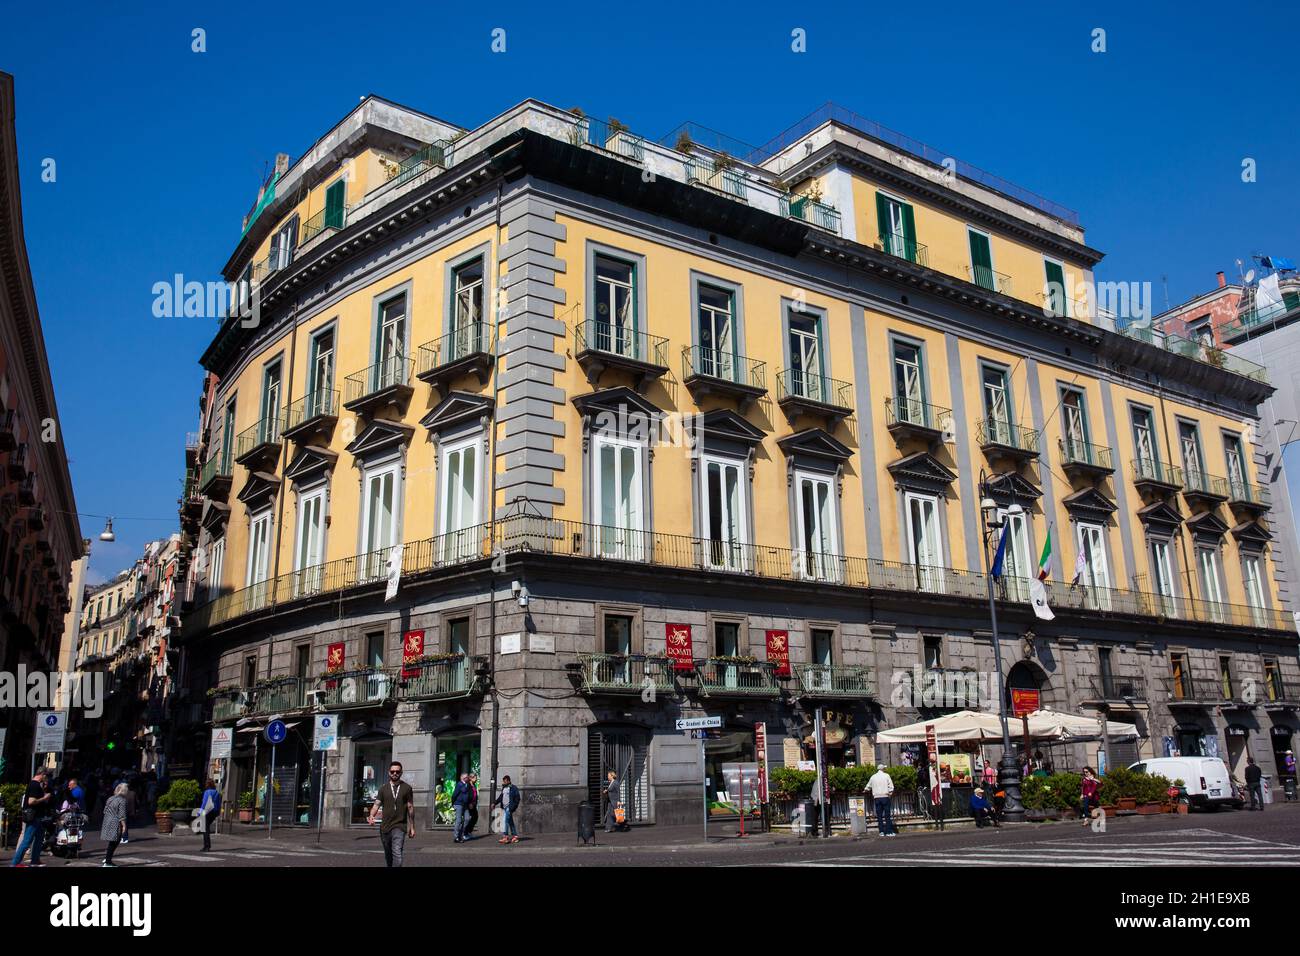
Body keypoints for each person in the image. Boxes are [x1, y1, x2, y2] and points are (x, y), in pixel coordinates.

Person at [367, 762, 415, 867]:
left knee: (397, 852)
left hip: (400, 826)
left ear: (401, 773)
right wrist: (371, 816)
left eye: (397, 772)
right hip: (385, 827)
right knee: (388, 854)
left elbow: (410, 807)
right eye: (392, 771)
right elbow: (376, 805)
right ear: (389, 773)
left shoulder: (407, 788)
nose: (395, 773)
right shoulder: (383, 789)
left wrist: (412, 827)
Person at [10, 767, 53, 867]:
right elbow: (31, 801)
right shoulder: (34, 785)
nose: (46, 778)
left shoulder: (37, 785)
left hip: (38, 816)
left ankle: (35, 859)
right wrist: (44, 798)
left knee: (39, 838)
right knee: (27, 840)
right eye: (46, 776)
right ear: (42, 774)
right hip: (34, 817)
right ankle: (15, 863)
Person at [100, 783, 129, 867]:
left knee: (112, 841)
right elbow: (122, 815)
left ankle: (108, 858)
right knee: (115, 841)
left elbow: (104, 810)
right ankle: (108, 861)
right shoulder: (122, 800)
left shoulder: (110, 798)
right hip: (115, 822)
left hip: (107, 820)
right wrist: (124, 825)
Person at [867, 764, 896, 836]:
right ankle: (889, 831)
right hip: (885, 797)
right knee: (887, 815)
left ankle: (881, 831)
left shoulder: (873, 777)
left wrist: (865, 790)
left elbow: (868, 787)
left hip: (877, 797)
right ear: (883, 769)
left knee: (879, 815)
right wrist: (890, 793)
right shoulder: (886, 775)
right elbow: (891, 786)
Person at [496, 775, 521, 844]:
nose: (504, 782)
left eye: (505, 781)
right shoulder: (504, 788)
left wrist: (513, 807)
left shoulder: (513, 788)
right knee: (510, 822)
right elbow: (501, 797)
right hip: (504, 807)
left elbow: (517, 798)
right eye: (503, 781)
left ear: (509, 781)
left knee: (505, 821)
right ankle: (515, 836)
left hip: (509, 808)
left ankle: (505, 837)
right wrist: (495, 803)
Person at [199, 779, 222, 850]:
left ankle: (207, 846)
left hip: (207, 811)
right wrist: (218, 812)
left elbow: (204, 803)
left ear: (207, 784)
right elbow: (219, 803)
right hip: (214, 811)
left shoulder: (207, 792)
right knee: (207, 827)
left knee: (205, 829)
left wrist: (200, 812)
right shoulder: (217, 793)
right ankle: (207, 846)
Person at [451, 772, 472, 843]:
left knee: (467, 818)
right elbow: (454, 795)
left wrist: (470, 803)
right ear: (462, 778)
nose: (467, 778)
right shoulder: (459, 784)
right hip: (459, 804)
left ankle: (460, 834)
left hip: (465, 805)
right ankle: (456, 837)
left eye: (467, 777)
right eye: (466, 777)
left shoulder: (467, 784)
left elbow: (468, 795)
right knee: (459, 820)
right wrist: (453, 803)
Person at [464, 772, 480, 839]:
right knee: (469, 819)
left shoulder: (474, 785)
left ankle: (469, 832)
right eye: (475, 777)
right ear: (470, 778)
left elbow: (475, 795)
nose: (476, 779)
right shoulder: (468, 785)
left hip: (473, 804)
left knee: (475, 817)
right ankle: (465, 833)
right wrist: (469, 803)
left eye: (476, 777)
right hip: (469, 804)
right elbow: (466, 795)